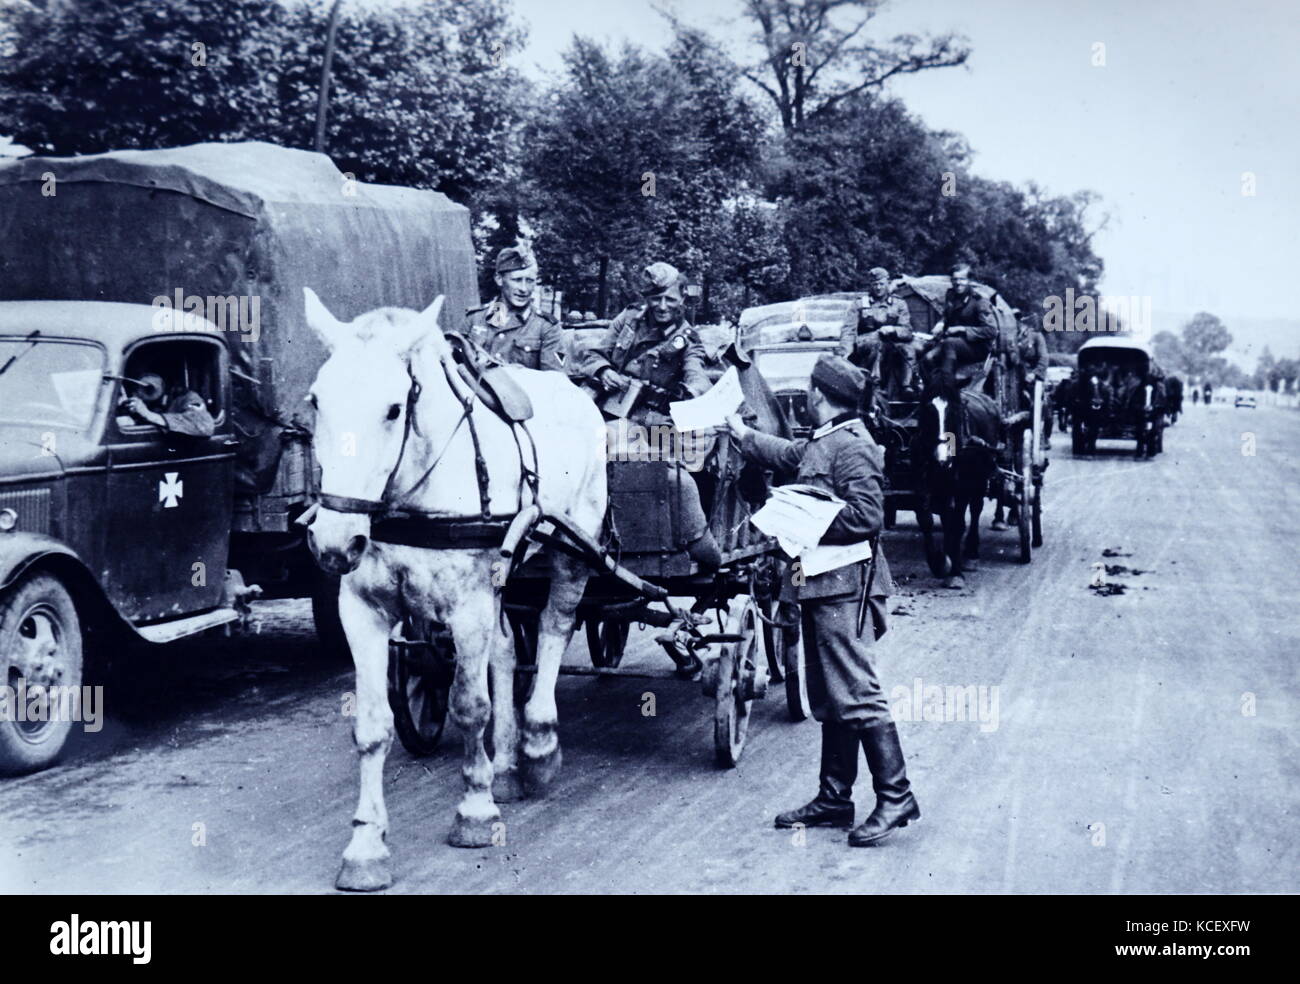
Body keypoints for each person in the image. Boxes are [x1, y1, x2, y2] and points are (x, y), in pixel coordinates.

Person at [726, 354, 918, 848]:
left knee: (856, 691)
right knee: (832, 695)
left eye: (809, 393)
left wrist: (802, 520)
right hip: (820, 584)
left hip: (845, 587)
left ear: (818, 395)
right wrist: (743, 436)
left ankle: (896, 795)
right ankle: (835, 797)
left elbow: (867, 518)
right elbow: (791, 456)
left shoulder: (853, 445)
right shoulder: (826, 439)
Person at [577, 261, 720, 570]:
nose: (663, 306)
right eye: (656, 298)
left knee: (651, 471)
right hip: (611, 412)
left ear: (683, 298)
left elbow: (696, 371)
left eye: (670, 299)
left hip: (657, 424)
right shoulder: (627, 320)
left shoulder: (687, 338)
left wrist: (695, 392)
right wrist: (603, 372)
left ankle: (644, 539)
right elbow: (593, 355)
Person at [465, 242, 565, 371]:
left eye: (529, 281)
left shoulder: (546, 327)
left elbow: (553, 381)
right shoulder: (475, 319)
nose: (523, 289)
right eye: (517, 280)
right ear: (499, 279)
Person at [921, 263, 999, 398]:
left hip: (977, 347)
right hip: (955, 344)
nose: (958, 283)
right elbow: (948, 316)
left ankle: (948, 389)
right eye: (955, 279)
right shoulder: (951, 296)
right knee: (927, 358)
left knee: (950, 343)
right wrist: (941, 323)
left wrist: (962, 329)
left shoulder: (979, 301)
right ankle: (933, 394)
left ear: (969, 281)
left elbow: (991, 331)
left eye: (962, 279)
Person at [838, 267, 916, 397]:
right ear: (870, 285)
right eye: (874, 284)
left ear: (888, 283)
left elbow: (907, 331)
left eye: (881, 284)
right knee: (877, 343)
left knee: (908, 349)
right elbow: (848, 330)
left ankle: (906, 386)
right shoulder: (859, 304)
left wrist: (893, 330)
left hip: (891, 343)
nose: (878, 288)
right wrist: (846, 352)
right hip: (865, 344)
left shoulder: (899, 303)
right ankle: (876, 384)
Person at [120, 372, 215, 437]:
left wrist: (148, 414)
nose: (136, 392)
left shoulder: (187, 397)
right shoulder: (144, 402)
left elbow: (204, 427)